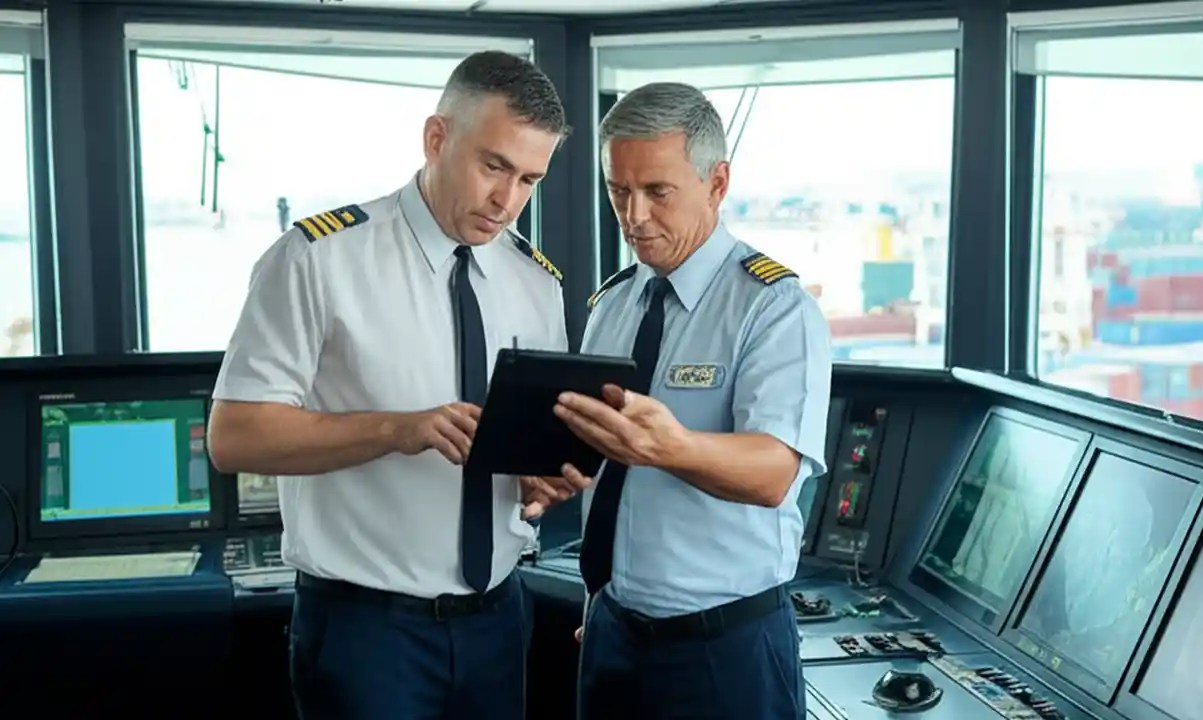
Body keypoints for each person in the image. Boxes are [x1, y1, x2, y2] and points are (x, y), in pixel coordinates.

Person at [206, 50, 586, 720]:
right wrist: (398, 428)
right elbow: (234, 437)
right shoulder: (318, 259)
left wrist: (539, 483)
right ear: (436, 138)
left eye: (530, 178)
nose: (508, 201)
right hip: (365, 633)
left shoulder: (535, 282)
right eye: (493, 166)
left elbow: (523, 452)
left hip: (498, 617)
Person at [554, 82, 833, 719]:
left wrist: (670, 448)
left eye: (658, 191)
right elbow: (609, 467)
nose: (635, 215)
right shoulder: (615, 303)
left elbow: (774, 473)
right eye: (619, 191)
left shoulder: (773, 307)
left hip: (723, 649)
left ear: (717, 182)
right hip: (612, 632)